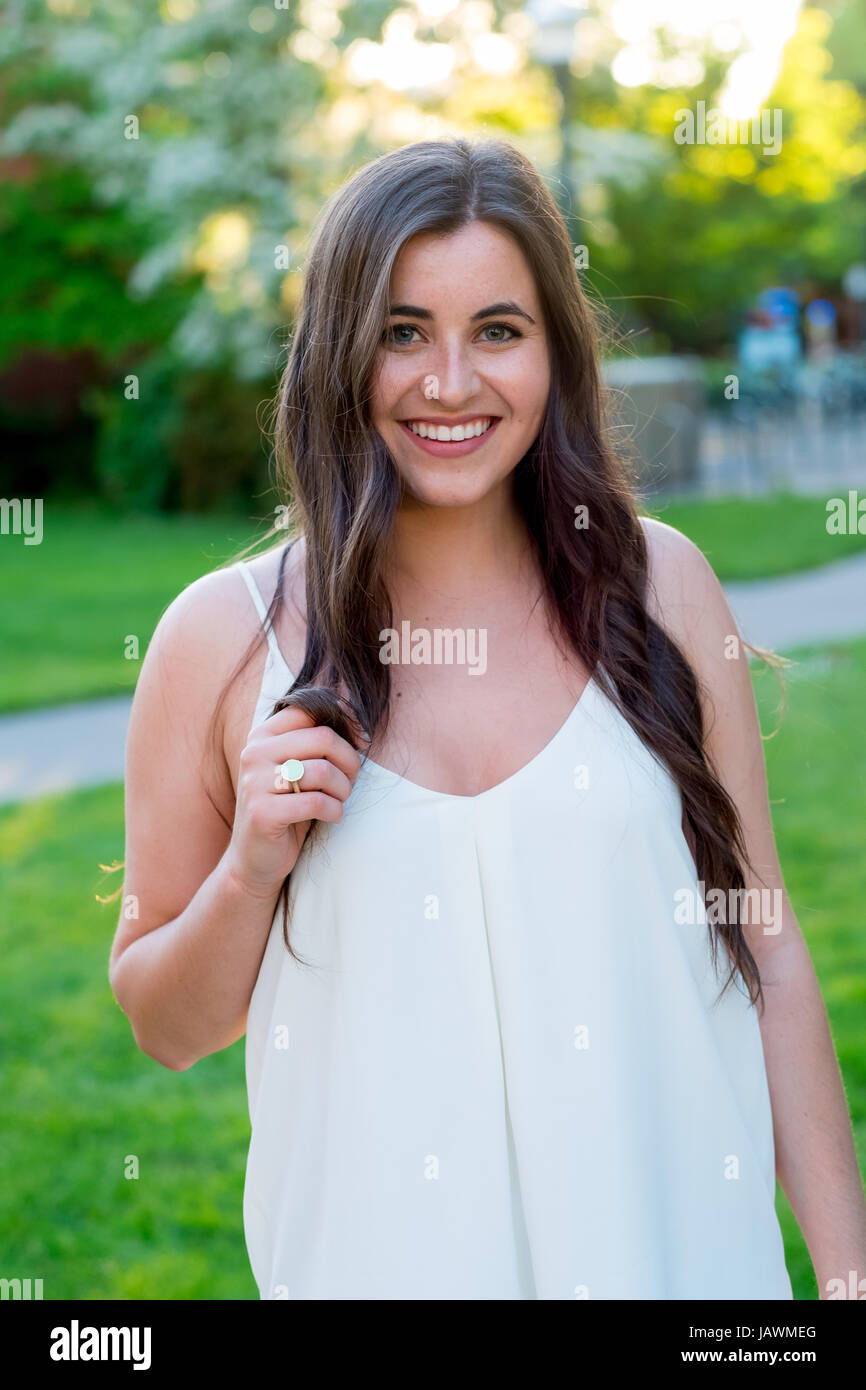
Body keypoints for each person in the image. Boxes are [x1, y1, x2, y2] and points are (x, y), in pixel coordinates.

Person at [109, 137, 866, 1300]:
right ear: (338, 354)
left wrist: (847, 1275)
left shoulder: (660, 587)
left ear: (552, 353)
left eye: (497, 331)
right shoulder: (220, 643)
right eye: (402, 332)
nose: (450, 382)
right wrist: (251, 866)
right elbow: (166, 1024)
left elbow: (762, 941)